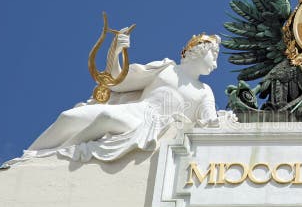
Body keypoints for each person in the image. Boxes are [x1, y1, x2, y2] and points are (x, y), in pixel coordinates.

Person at [20, 32, 227, 162]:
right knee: (68, 116)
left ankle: (57, 155)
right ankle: (28, 157)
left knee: (106, 119)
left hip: (153, 126)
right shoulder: (166, 69)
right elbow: (120, 83)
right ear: (199, 51)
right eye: (214, 55)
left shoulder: (204, 91)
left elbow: (210, 123)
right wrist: (116, 50)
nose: (215, 63)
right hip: (136, 111)